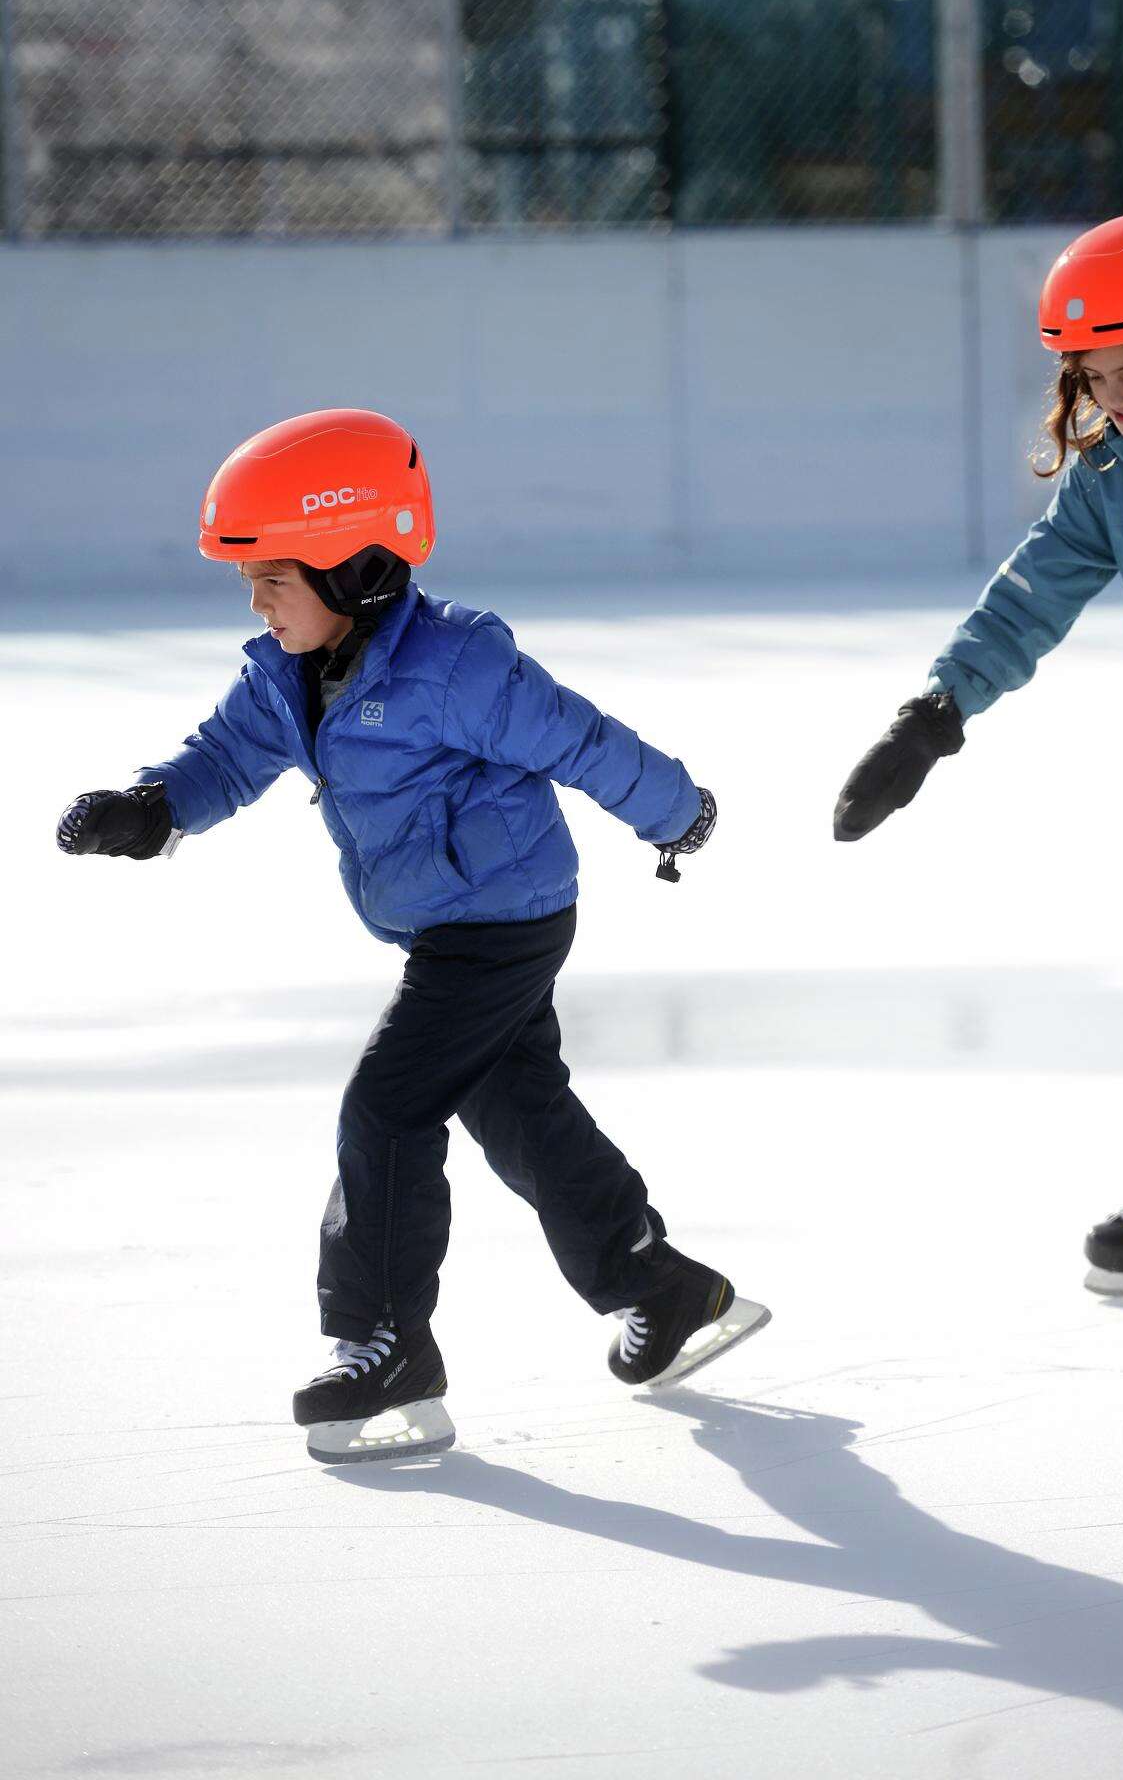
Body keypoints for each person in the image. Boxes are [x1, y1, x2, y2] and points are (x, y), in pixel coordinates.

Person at [55, 408, 769, 1462]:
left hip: (504, 918)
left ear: (355, 567)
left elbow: (580, 738)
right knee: (518, 1112)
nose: (255, 602)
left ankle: (385, 1343)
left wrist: (677, 813)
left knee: (388, 1107)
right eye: (247, 580)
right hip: (444, 923)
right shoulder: (283, 673)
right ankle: (661, 1288)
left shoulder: (455, 667)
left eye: (274, 578)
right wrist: (152, 806)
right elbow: (225, 755)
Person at [834, 210, 1123, 1297]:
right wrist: (932, 718)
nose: (1116, 400)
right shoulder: (1112, 475)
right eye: (1094, 380)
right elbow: (1032, 596)